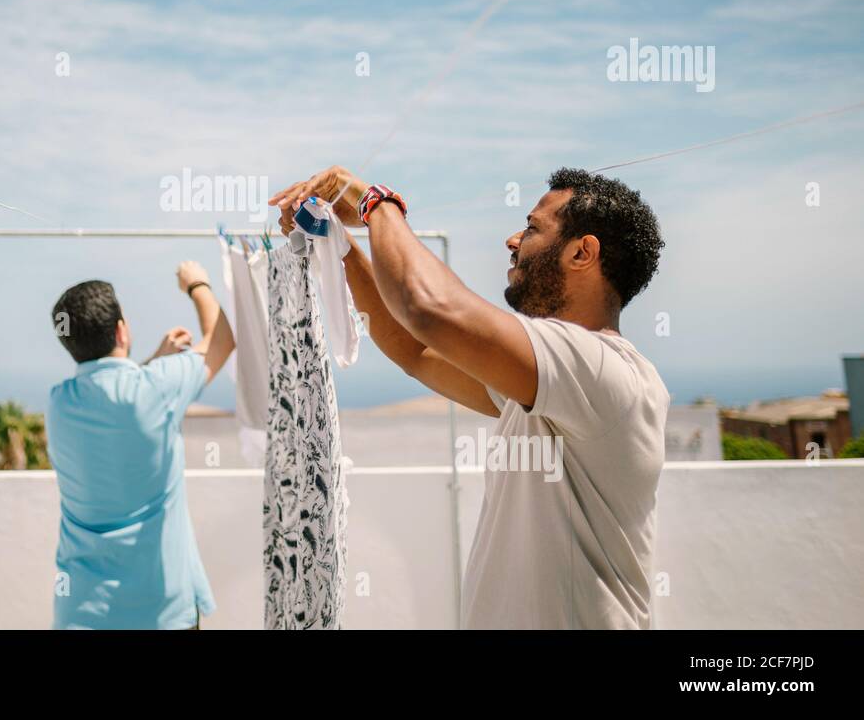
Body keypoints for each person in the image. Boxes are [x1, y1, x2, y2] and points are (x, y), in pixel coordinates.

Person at [270, 166, 669, 629]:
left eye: (534, 227)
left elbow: (429, 308)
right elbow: (415, 348)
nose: (513, 239)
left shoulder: (601, 368)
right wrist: (339, 246)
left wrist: (377, 203)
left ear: (583, 252)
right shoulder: (551, 383)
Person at [46, 262, 235, 630]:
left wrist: (152, 362)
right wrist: (196, 283)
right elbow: (221, 339)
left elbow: (115, 394)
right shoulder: (156, 389)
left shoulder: (59, 404)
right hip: (161, 613)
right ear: (121, 330)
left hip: (82, 615)